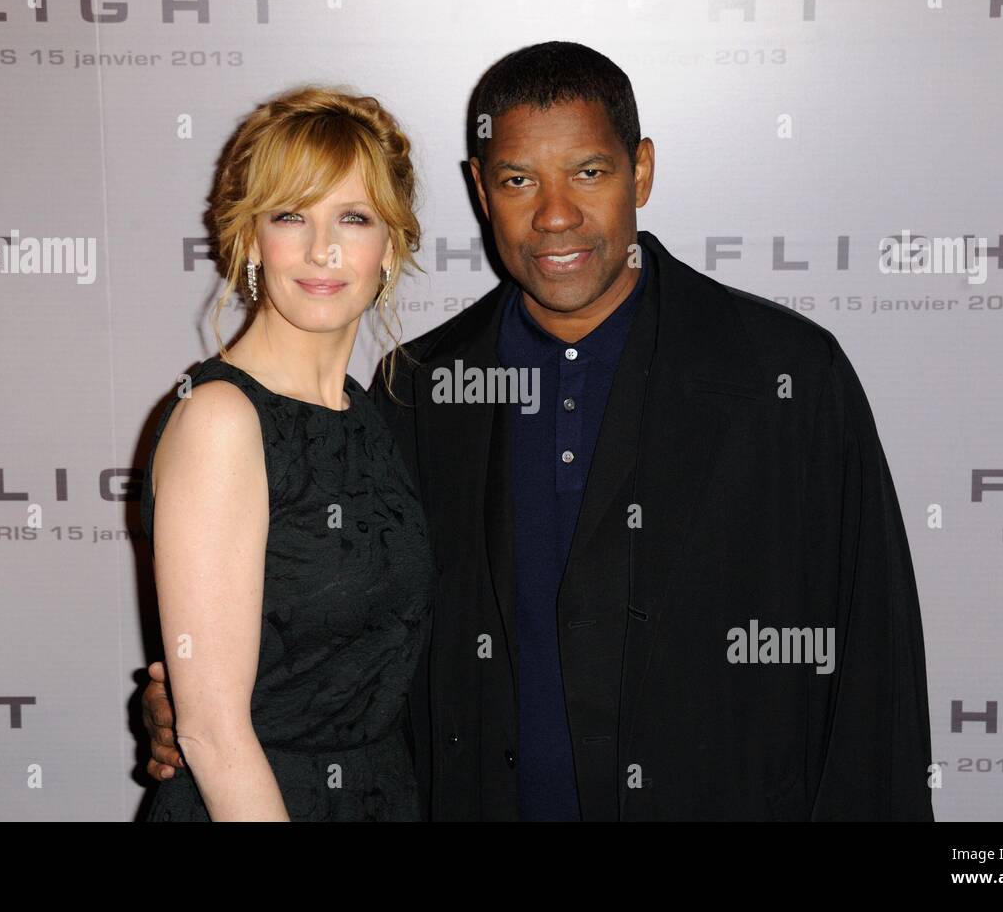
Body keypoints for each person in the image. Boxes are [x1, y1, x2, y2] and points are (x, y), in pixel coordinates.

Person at [144, 42, 935, 821]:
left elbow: (872, 666)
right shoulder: (416, 395)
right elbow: (349, 629)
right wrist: (201, 702)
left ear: (643, 172)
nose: (556, 215)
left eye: (589, 173)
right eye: (519, 180)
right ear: (482, 194)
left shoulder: (783, 378)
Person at [139, 86, 436, 820]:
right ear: (249, 238)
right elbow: (209, 732)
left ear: (390, 245)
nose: (322, 249)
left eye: (354, 218)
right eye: (291, 215)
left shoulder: (369, 413)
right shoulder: (221, 419)